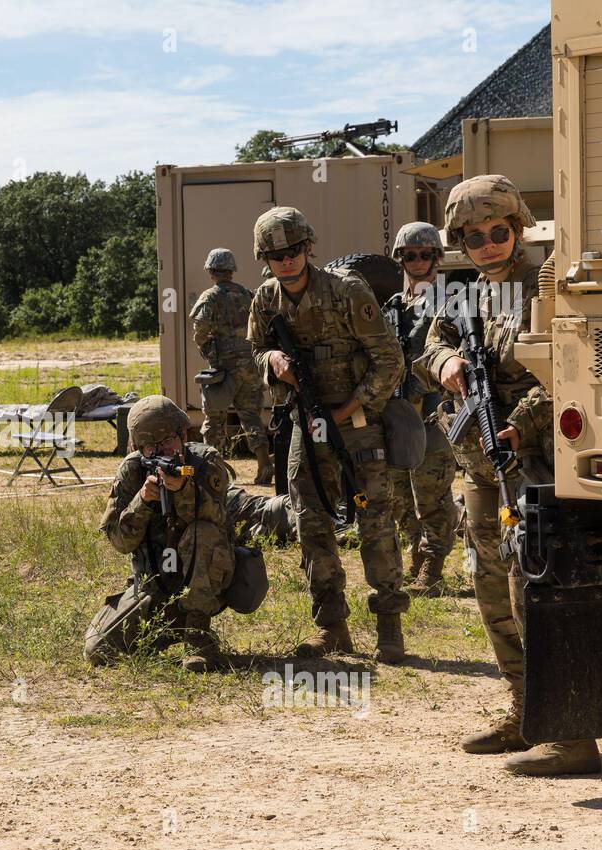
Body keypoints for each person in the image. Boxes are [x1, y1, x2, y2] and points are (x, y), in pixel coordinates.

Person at [418, 174, 597, 776]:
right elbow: (430, 346)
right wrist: (446, 366)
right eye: (473, 237)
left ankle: (571, 735)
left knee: (538, 587)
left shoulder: (545, 285)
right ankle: (525, 713)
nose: (487, 244)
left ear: (519, 228)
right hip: (480, 465)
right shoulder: (464, 295)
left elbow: (570, 365)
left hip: (535, 463)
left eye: (498, 232)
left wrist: (520, 422)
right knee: (492, 586)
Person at [246, 206, 409, 663]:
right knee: (311, 525)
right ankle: (332, 627)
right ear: (265, 258)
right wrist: (273, 362)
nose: (287, 261)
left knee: (375, 522)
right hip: (305, 424)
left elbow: (389, 360)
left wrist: (352, 408)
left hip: (356, 424)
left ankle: (389, 628)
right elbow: (257, 348)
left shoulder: (346, 290)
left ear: (309, 246)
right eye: (277, 255)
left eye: (295, 250)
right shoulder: (265, 301)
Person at [83, 395, 237, 672]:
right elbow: (120, 542)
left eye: (168, 441)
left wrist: (182, 491)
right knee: (99, 650)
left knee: (203, 532)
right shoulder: (132, 471)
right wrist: (141, 501)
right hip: (154, 584)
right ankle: (168, 628)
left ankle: (197, 636)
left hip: (204, 581)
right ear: (139, 447)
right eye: (151, 446)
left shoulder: (203, 462)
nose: (162, 450)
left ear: (182, 434)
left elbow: (217, 521)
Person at [385, 223, 458, 595]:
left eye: (426, 255)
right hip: (396, 413)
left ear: (437, 258)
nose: (418, 262)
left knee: (431, 492)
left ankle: (433, 563)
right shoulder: (393, 307)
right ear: (400, 259)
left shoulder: (454, 302)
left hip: (433, 412)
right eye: (410, 255)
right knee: (397, 492)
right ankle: (414, 549)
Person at [190, 248, 273, 483]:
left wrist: (208, 350)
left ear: (211, 270)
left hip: (224, 369)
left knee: (215, 419)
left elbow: (200, 328)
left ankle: (211, 470)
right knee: (251, 416)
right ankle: (264, 465)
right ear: (231, 269)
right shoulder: (247, 294)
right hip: (250, 364)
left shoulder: (210, 296)